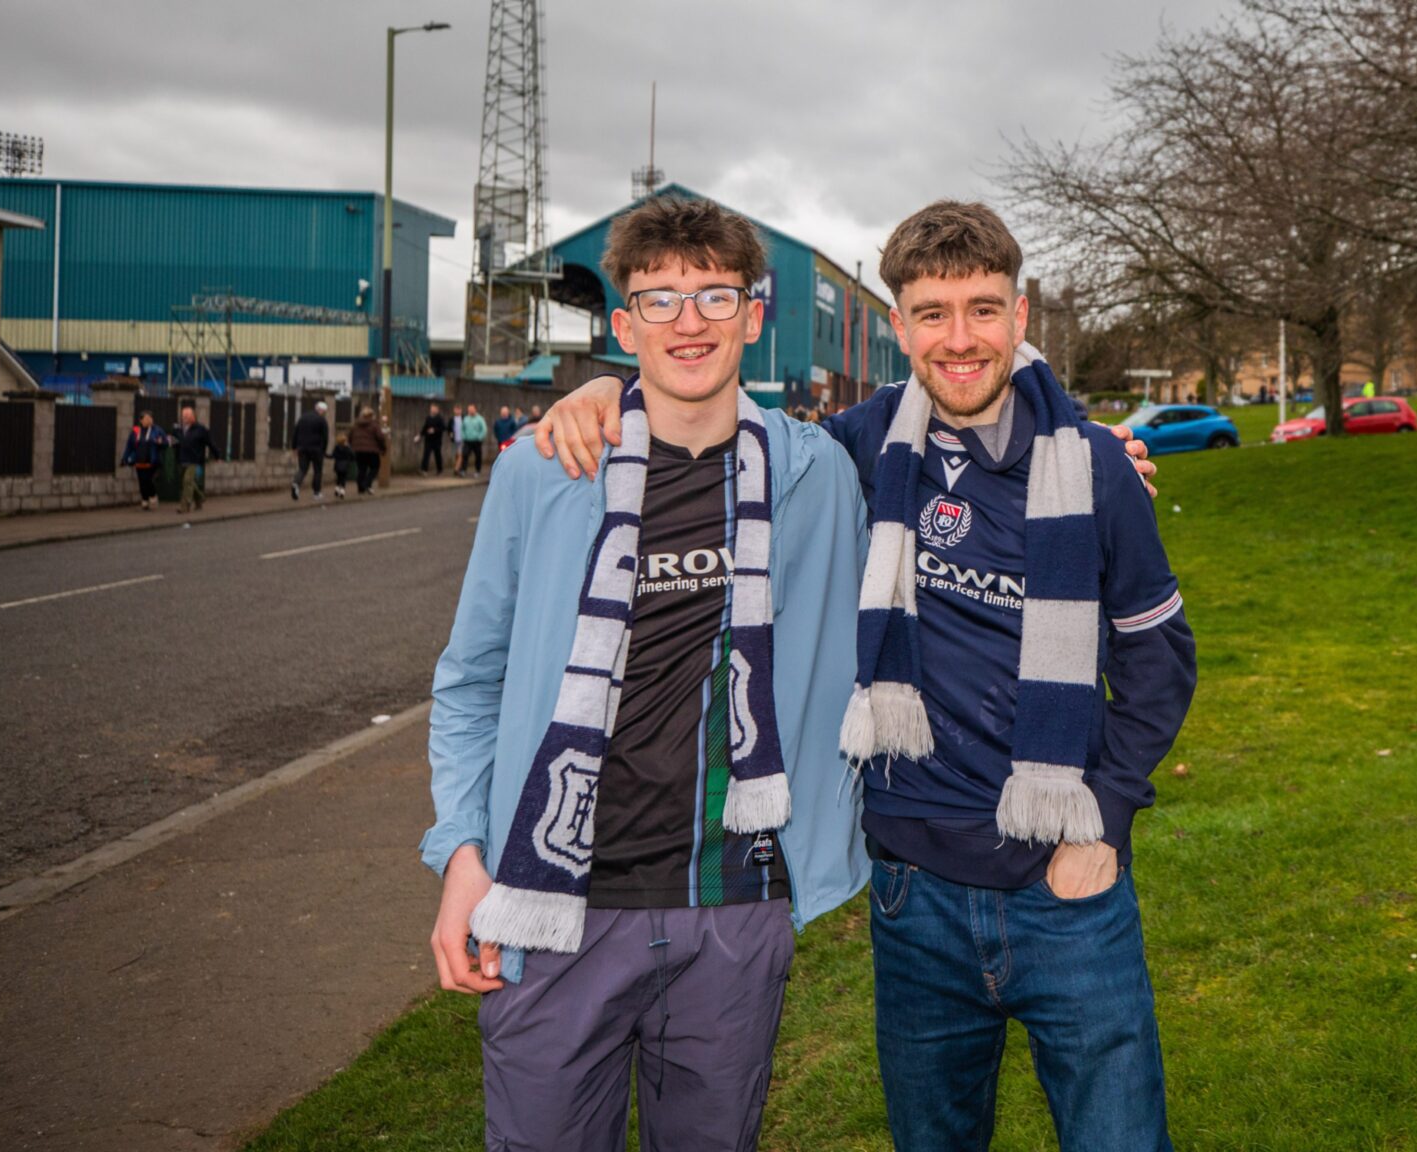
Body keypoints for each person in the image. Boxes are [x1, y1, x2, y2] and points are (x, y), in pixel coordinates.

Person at [539, 200, 1192, 1151]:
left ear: (1019, 316)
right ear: (899, 326)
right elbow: (723, 423)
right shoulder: (853, 451)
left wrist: (1112, 812)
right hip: (913, 895)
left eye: (981, 309)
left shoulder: (1092, 465)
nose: (959, 339)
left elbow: (1160, 658)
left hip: (1068, 889)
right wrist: (604, 393)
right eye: (932, 313)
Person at [424, 195, 869, 1152]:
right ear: (625, 326)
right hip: (554, 909)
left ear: (753, 316)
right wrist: (463, 854)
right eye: (659, 301)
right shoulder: (544, 469)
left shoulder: (812, 474)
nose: (690, 322)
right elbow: (471, 680)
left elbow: (953, 411)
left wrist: (1089, 454)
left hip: (734, 910)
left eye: (714, 297)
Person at [169, 404, 221, 513]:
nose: (185, 417)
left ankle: (185, 506)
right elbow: (173, 443)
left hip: (194, 461)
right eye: (183, 415)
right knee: (189, 482)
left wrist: (217, 455)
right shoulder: (178, 430)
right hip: (182, 459)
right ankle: (199, 498)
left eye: (187, 415)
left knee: (187, 481)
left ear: (193, 416)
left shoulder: (201, 429)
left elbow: (210, 443)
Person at [120, 410, 168, 510]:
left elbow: (166, 443)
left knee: (149, 480)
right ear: (141, 420)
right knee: (142, 481)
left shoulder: (157, 430)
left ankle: (153, 496)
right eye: (146, 418)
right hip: (139, 461)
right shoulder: (135, 431)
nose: (149, 420)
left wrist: (161, 442)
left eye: (150, 418)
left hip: (152, 461)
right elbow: (129, 446)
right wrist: (125, 458)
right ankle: (144, 500)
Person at [291, 400, 329, 501]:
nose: (324, 413)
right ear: (321, 410)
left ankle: (296, 483)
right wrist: (323, 450)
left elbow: (296, 432)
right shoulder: (322, 420)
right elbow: (325, 437)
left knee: (302, 468)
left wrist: (294, 447)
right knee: (317, 471)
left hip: (302, 448)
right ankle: (316, 492)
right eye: (324, 411)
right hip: (316, 449)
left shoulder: (303, 418)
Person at [348, 406, 388, 495]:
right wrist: (383, 448)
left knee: (361, 469)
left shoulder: (355, 425)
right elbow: (380, 438)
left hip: (358, 450)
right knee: (375, 467)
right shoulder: (374, 425)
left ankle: (360, 488)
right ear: (371, 415)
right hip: (372, 451)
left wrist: (353, 446)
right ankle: (367, 483)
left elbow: (350, 436)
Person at [416, 402, 448, 475]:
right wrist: (420, 435)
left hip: (437, 440)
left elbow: (444, 428)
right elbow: (425, 427)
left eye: (434, 409)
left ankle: (439, 469)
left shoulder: (440, 418)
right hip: (428, 439)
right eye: (431, 408)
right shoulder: (428, 418)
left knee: (437, 455)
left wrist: (434, 430)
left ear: (437, 410)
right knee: (426, 454)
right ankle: (424, 470)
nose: (432, 410)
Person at [459, 404, 487, 477]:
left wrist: (479, 437)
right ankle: (463, 470)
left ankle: (477, 471)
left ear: (475, 409)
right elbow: (462, 428)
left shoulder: (480, 418)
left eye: (472, 409)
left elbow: (484, 429)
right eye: (469, 409)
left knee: (478, 456)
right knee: (465, 455)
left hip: (476, 441)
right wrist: (464, 436)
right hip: (467, 441)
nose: (470, 411)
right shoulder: (466, 418)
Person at [331, 433, 356, 499]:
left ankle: (337, 489)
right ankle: (342, 491)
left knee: (338, 478)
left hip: (337, 465)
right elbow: (352, 455)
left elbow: (333, 455)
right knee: (343, 479)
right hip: (345, 465)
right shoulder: (347, 448)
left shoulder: (336, 447)